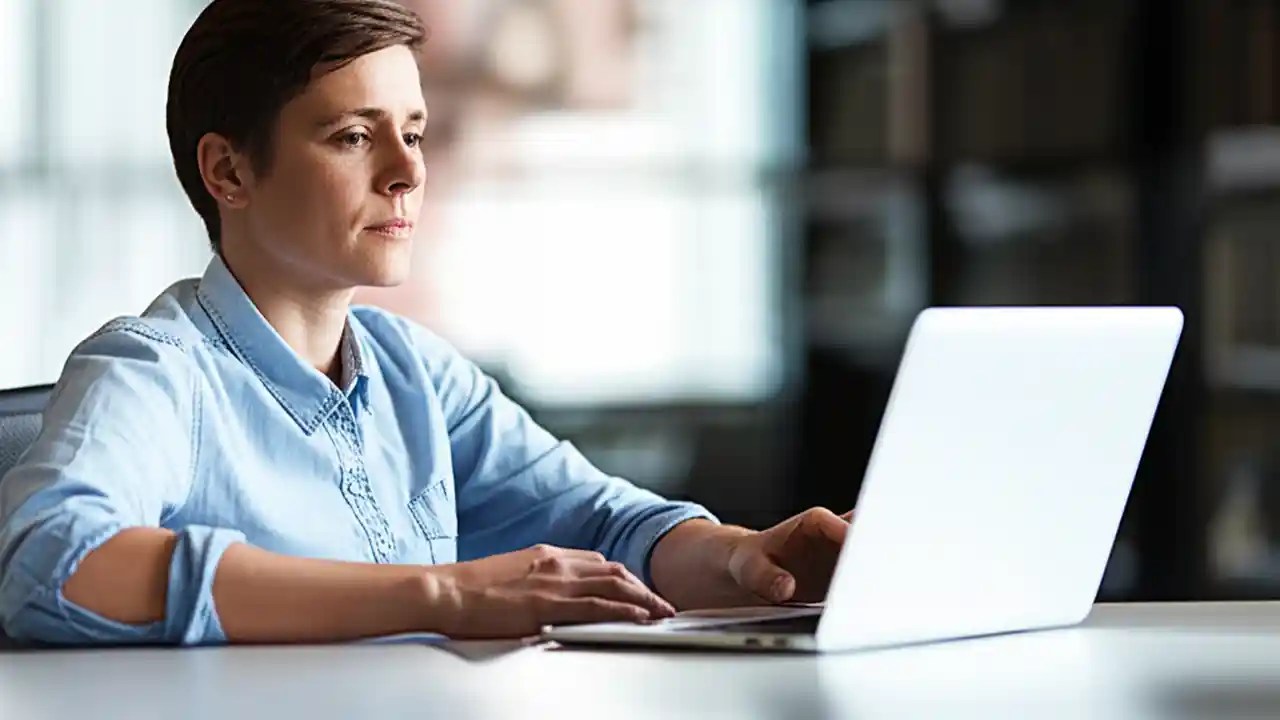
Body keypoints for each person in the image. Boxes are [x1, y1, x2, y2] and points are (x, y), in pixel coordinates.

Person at [0, 0, 851, 646]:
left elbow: (607, 530)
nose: (408, 172)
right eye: (351, 137)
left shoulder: (415, 373)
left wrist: (745, 556)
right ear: (228, 170)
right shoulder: (155, 371)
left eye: (413, 131)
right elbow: (50, 559)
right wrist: (443, 592)